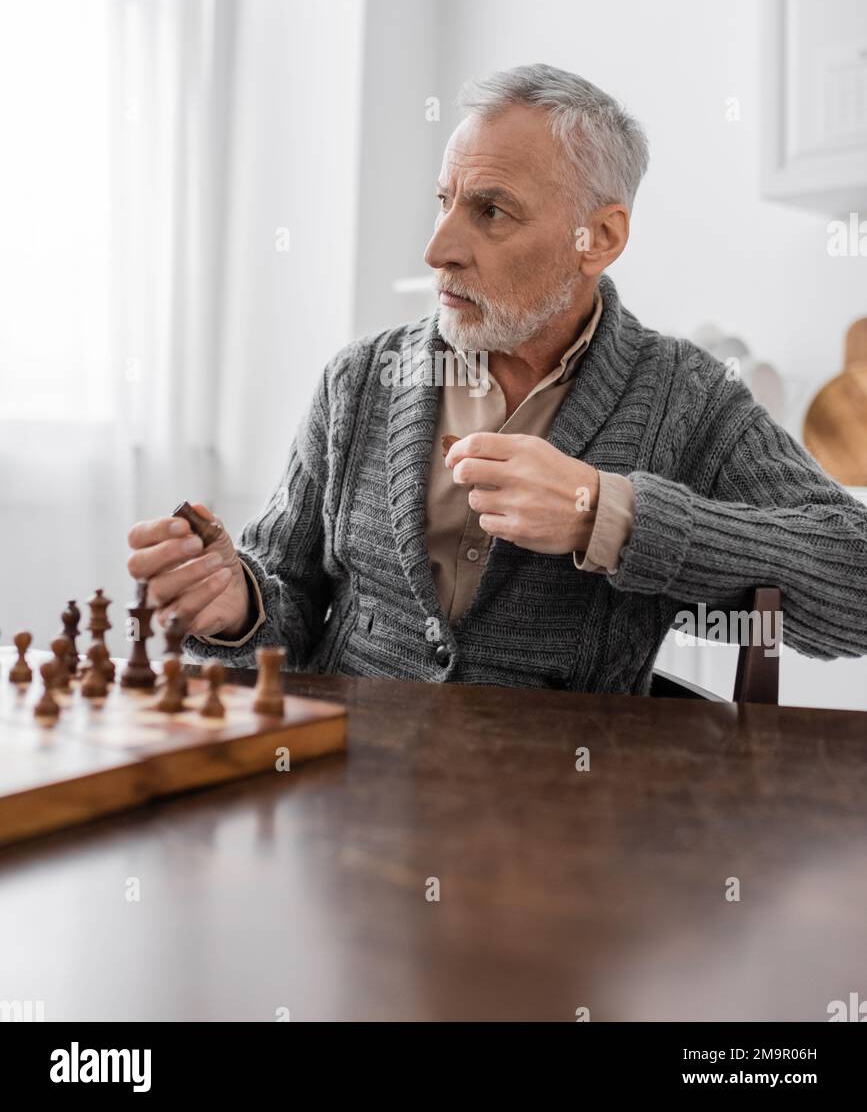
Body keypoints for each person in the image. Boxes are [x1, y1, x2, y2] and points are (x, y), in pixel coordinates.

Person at [127, 64, 867, 692]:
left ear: (598, 238)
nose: (437, 248)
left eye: (490, 212)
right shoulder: (358, 380)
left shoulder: (691, 399)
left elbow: (855, 582)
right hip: (347, 805)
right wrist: (239, 603)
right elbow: (289, 601)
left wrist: (606, 516)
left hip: (563, 823)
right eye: (444, 201)